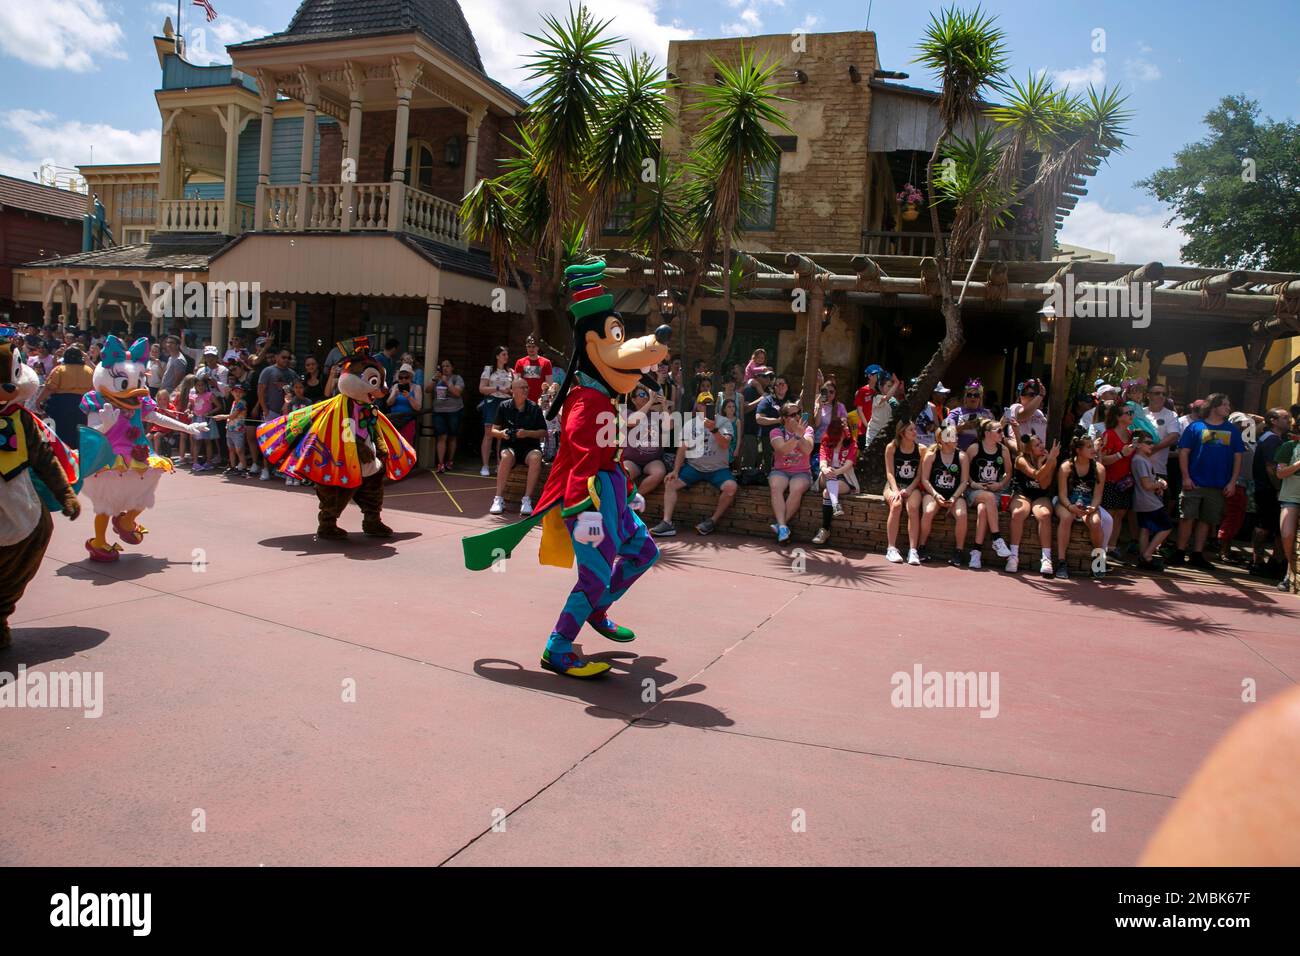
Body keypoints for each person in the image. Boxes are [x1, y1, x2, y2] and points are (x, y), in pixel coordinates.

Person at [1173, 393, 1244, 570]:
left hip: (1218, 484)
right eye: (1225, 405)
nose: (1228, 408)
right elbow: (1183, 452)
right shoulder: (1195, 427)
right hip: (1194, 482)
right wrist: (1186, 477)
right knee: (1187, 517)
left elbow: (1238, 457)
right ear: (1214, 406)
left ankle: (1197, 554)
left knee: (1207, 520)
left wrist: (1232, 482)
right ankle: (1180, 552)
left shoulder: (1232, 430)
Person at [651, 392, 737, 537]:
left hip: (718, 469)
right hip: (694, 467)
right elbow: (682, 448)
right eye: (703, 403)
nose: (705, 406)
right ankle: (667, 523)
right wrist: (676, 471)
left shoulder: (724, 422)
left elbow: (725, 444)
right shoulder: (690, 424)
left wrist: (713, 429)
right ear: (697, 405)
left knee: (731, 487)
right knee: (671, 482)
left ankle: (712, 521)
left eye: (709, 403)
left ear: (714, 405)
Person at [489, 377, 546, 516]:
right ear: (513, 390)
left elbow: (543, 432)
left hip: (529, 447)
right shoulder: (504, 406)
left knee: (536, 457)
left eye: (527, 387)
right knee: (506, 456)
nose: (526, 390)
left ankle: (527, 500)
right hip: (510, 446)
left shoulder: (534, 408)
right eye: (522, 387)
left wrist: (527, 433)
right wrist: (502, 434)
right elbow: (493, 430)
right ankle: (498, 498)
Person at [963, 418, 1013, 569]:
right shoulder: (974, 448)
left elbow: (1008, 473)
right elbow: (964, 471)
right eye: (998, 430)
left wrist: (1000, 484)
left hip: (993, 491)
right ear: (987, 433)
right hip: (974, 490)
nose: (1001, 433)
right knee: (988, 498)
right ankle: (997, 538)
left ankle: (976, 552)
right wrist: (973, 483)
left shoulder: (1003, 450)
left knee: (983, 509)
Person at [1056, 434, 1107, 580]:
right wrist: (1070, 507)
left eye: (1093, 446)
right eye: (1089, 447)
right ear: (1078, 450)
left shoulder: (1099, 469)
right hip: (1067, 503)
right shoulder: (1066, 467)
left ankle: (1099, 561)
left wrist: (1093, 507)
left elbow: (1097, 495)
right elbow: (1062, 495)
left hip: (1087, 503)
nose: (1093, 449)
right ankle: (1061, 562)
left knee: (1096, 522)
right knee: (1066, 518)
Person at [1009, 433, 1059, 577]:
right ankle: (1013, 555)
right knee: (1018, 513)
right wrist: (1047, 463)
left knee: (1044, 515)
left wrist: (1045, 462)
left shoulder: (1051, 461)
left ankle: (1046, 558)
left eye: (1041, 442)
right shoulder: (1021, 460)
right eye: (1037, 445)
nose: (1042, 446)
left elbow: (1043, 485)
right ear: (1030, 449)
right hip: (1023, 494)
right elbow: (1036, 475)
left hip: (1040, 496)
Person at [919, 424, 969, 566]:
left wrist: (953, 497)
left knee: (962, 514)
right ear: (944, 440)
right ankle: (921, 547)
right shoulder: (932, 455)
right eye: (954, 436)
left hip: (955, 493)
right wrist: (935, 495)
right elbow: (924, 479)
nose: (957, 439)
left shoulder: (962, 456)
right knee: (928, 512)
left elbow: (964, 481)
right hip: (934, 492)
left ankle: (958, 551)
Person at [1250, 408, 1291, 579]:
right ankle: (1257, 561)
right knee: (1265, 526)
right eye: (1285, 418)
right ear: (1273, 421)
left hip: (1266, 489)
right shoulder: (1272, 440)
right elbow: (1271, 467)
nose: (1289, 421)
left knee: (1273, 527)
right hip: (1268, 490)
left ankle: (1273, 561)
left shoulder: (1271, 438)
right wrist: (1278, 488)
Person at [766, 403, 814, 544]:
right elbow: (783, 450)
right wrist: (796, 436)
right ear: (785, 418)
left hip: (802, 472)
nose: (798, 416)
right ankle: (783, 527)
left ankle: (781, 525)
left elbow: (807, 450)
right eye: (793, 415)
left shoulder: (808, 429)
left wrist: (800, 435)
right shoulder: (776, 432)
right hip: (780, 471)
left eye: (798, 412)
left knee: (796, 488)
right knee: (775, 486)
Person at [1097, 402, 1138, 561]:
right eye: (1127, 413)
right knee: (1109, 514)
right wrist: (1121, 454)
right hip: (1110, 480)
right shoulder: (1109, 434)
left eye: (1131, 412)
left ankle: (1111, 548)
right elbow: (1102, 460)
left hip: (1125, 481)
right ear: (1118, 417)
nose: (1130, 415)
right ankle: (1102, 549)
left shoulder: (1130, 434)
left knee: (1120, 514)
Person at [811, 416, 859, 546]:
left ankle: (825, 530)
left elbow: (848, 465)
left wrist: (835, 472)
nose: (847, 429)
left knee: (827, 493)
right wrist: (825, 469)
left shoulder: (852, 443)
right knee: (829, 478)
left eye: (847, 425)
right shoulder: (826, 442)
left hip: (844, 477)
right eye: (844, 427)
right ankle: (835, 504)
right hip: (826, 475)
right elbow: (822, 461)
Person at [1217, 411, 1257, 562]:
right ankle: (1223, 551)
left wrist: (1251, 418)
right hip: (1235, 482)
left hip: (1244, 483)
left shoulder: (1248, 439)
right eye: (1241, 423)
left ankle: (1226, 548)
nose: (1245, 425)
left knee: (1237, 516)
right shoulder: (1228, 438)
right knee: (1232, 516)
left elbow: (1260, 423)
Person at [1129, 431, 1173, 572]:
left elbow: (1149, 481)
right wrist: (1160, 485)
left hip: (1142, 500)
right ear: (1139, 445)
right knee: (1166, 526)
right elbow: (1147, 485)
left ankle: (1144, 557)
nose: (1152, 445)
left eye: (1152, 442)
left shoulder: (1142, 459)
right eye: (1148, 442)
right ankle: (1148, 554)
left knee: (1145, 528)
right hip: (1149, 501)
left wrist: (1157, 483)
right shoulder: (1140, 460)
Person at [881, 418, 922, 563]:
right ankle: (891, 548)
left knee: (913, 508)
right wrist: (896, 490)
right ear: (902, 432)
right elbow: (890, 472)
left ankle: (913, 550)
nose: (914, 432)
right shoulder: (891, 447)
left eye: (915, 429)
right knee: (896, 504)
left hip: (912, 485)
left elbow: (919, 475)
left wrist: (910, 489)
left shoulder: (921, 449)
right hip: (894, 483)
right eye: (911, 429)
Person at [35, 346, 93, 448]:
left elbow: (50, 388)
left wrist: (38, 400)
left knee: (58, 430)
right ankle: (75, 454)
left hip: (60, 404)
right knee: (77, 431)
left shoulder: (60, 369)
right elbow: (93, 389)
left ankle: (54, 451)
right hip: (82, 405)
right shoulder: (89, 370)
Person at [255, 350, 299, 480]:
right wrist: (265, 409)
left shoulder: (292, 374)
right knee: (268, 441)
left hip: (288, 412)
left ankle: (281, 469)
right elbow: (261, 391)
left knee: (286, 441)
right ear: (276, 357)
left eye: (288, 357)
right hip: (271, 411)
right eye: (283, 357)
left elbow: (296, 391)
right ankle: (265, 468)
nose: (286, 360)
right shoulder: (268, 371)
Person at [623, 383, 669, 497]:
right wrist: (650, 402)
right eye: (642, 394)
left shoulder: (654, 414)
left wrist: (664, 405)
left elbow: (669, 426)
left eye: (647, 395)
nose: (646, 397)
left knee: (659, 472)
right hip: (632, 460)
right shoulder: (627, 412)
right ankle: (619, 503)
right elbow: (632, 422)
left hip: (652, 460)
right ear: (633, 400)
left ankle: (635, 500)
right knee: (624, 474)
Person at [1144, 382, 1183, 515]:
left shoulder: (1171, 415)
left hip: (1158, 468)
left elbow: (1174, 436)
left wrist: (1153, 449)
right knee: (1134, 506)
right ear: (1148, 395)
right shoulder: (1140, 413)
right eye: (1157, 393)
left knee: (1156, 506)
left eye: (1164, 394)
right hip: (1137, 465)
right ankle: (1135, 536)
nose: (1161, 396)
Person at [478, 346, 513, 477]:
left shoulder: (511, 371)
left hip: (506, 403)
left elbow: (513, 389)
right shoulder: (489, 369)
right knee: (488, 433)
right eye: (503, 354)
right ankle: (485, 465)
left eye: (507, 354)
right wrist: (498, 388)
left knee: (501, 435)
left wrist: (510, 391)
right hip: (492, 402)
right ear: (497, 356)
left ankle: (499, 464)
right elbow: (482, 388)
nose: (506, 357)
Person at [1273, 426, 1300, 591]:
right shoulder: (1289, 446)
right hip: (1291, 497)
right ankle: (1289, 572)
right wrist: (1298, 464)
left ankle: (1290, 576)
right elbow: (1280, 473)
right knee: (1287, 534)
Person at [427, 358, 465, 473]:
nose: (445, 368)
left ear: (452, 367)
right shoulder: (437, 378)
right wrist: (434, 379)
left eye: (447, 366)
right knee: (441, 436)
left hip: (454, 410)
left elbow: (457, 393)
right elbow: (427, 390)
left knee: (452, 436)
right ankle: (440, 463)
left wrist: (447, 382)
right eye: (443, 366)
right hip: (439, 411)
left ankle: (450, 460)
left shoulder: (457, 378)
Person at [755, 373, 790, 472]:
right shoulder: (767, 401)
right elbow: (759, 419)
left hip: (786, 439)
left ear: (787, 387)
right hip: (767, 438)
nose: (781, 386)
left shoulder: (790, 401)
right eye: (778, 384)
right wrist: (778, 420)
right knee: (768, 466)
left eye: (783, 384)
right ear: (774, 387)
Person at [944, 379, 991, 452]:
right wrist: (963, 427)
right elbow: (945, 433)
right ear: (965, 397)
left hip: (981, 452)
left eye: (976, 395)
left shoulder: (987, 414)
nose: (972, 397)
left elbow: (995, 432)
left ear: (980, 398)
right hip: (960, 451)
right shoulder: (955, 413)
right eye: (969, 395)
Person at [1002, 378, 1047, 454]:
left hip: (1040, 455)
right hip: (1024, 454)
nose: (1035, 397)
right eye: (1032, 394)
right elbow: (1024, 414)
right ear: (1021, 396)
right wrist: (1041, 395)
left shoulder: (1039, 412)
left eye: (1036, 394)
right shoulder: (1015, 407)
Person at [213, 382, 250, 475]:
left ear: (244, 394)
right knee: (231, 449)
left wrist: (221, 416)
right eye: (235, 391)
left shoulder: (242, 403)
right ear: (232, 392)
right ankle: (233, 467)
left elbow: (233, 416)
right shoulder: (234, 402)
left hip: (238, 430)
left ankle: (244, 469)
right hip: (230, 429)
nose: (237, 393)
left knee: (239, 450)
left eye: (240, 392)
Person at [384, 363, 422, 449]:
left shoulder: (416, 388)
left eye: (406, 377)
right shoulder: (396, 386)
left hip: (407, 421)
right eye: (401, 377)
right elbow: (388, 403)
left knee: (406, 446)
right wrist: (394, 394)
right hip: (394, 420)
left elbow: (418, 407)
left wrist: (409, 397)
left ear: (411, 377)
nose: (403, 380)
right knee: (394, 446)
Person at [738, 369, 768, 470]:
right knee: (748, 465)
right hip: (749, 431)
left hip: (761, 434)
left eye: (769, 376)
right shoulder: (749, 391)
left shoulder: (768, 391)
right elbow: (744, 409)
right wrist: (760, 400)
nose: (768, 379)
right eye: (764, 376)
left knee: (758, 463)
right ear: (756, 377)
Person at [188, 376, 219, 472]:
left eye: (202, 385)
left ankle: (209, 462)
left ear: (206, 385)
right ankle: (195, 462)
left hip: (207, 420)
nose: (200, 387)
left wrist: (209, 413)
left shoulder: (209, 395)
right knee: (197, 442)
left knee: (208, 441)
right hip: (196, 420)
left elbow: (219, 406)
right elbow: (190, 407)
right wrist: (189, 412)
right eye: (198, 385)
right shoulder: (193, 396)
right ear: (195, 386)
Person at [514, 335, 553, 403]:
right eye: (529, 346)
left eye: (533, 346)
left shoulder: (546, 362)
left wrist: (545, 401)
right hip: (524, 401)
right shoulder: (520, 362)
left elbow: (549, 385)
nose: (531, 349)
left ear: (538, 347)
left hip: (541, 401)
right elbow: (516, 385)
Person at [914, 381, 950, 447]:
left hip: (931, 445)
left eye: (944, 394)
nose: (944, 396)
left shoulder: (944, 410)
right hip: (916, 444)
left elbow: (938, 428)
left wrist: (933, 427)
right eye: (941, 394)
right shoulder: (913, 407)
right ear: (933, 394)